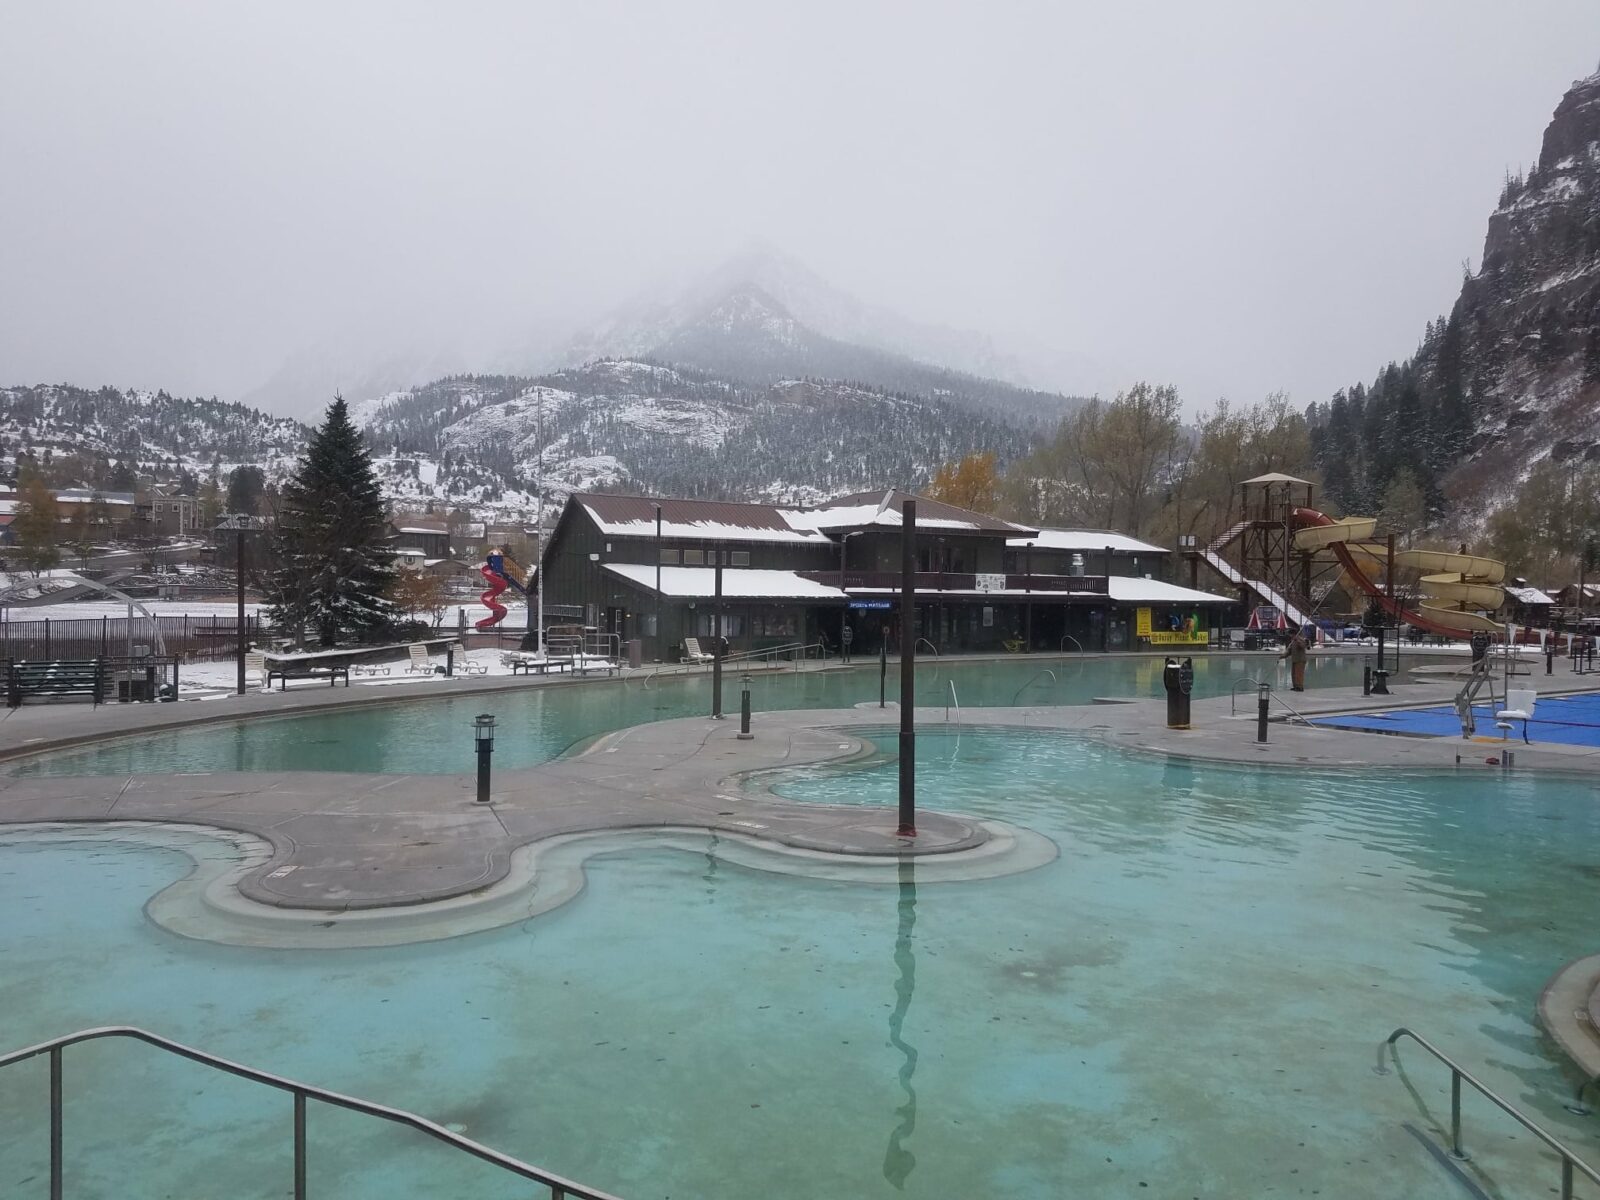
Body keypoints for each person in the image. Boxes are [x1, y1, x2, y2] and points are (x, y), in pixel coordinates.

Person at [1281, 626, 1309, 691]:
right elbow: (1290, 651)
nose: (1290, 636)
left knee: (1299, 674)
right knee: (1293, 674)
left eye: (1290, 634)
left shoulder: (1300, 639)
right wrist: (1283, 656)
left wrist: (1297, 640)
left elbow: (1303, 646)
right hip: (1294, 659)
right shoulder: (1292, 641)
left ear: (1293, 634)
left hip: (1300, 660)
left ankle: (1300, 687)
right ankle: (1295, 686)